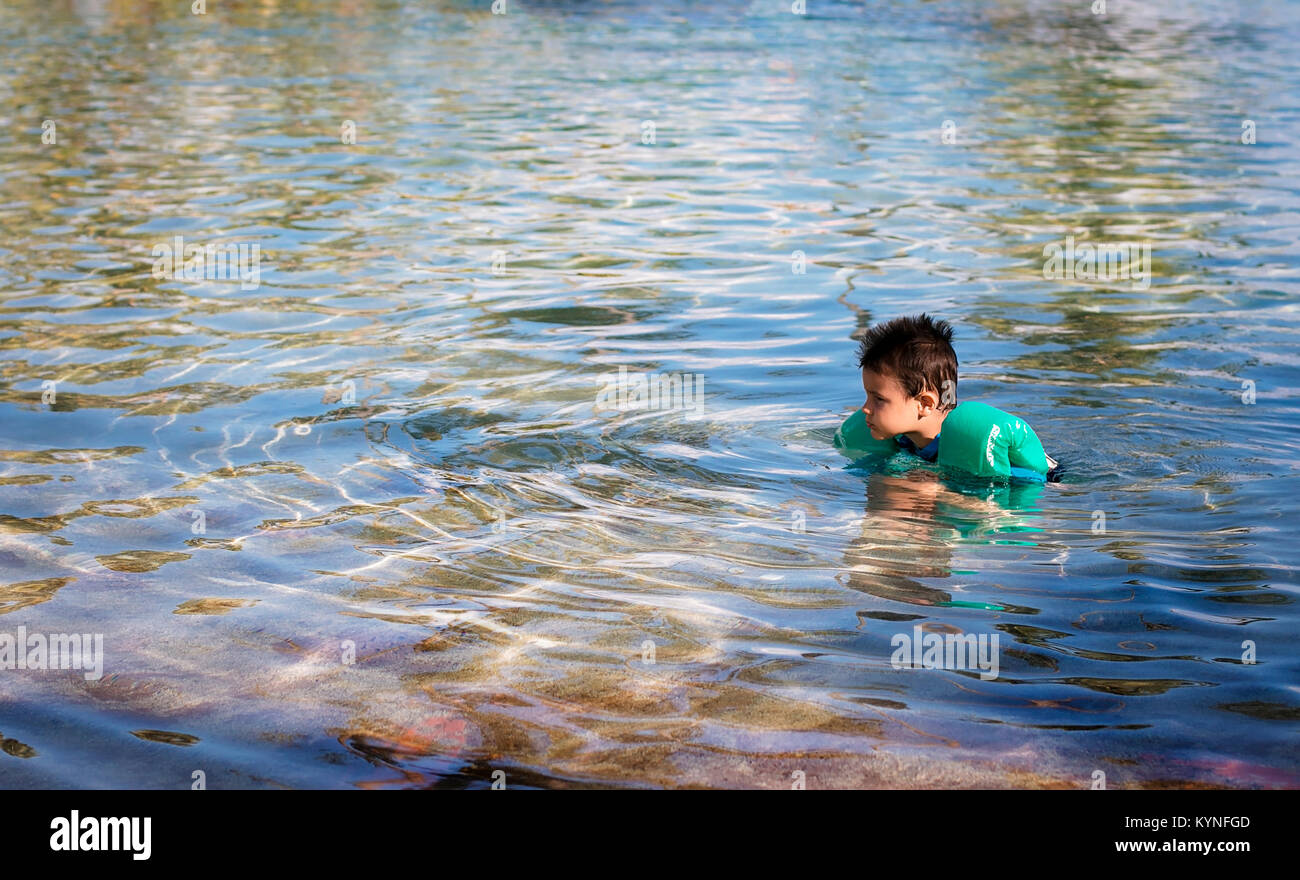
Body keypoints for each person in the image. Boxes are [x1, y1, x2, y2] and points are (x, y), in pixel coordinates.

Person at [834, 314, 1063, 483]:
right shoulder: (904, 442)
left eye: (878, 399)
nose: (865, 408)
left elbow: (1010, 507)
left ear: (925, 404)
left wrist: (938, 490)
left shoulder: (980, 448)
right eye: (867, 396)